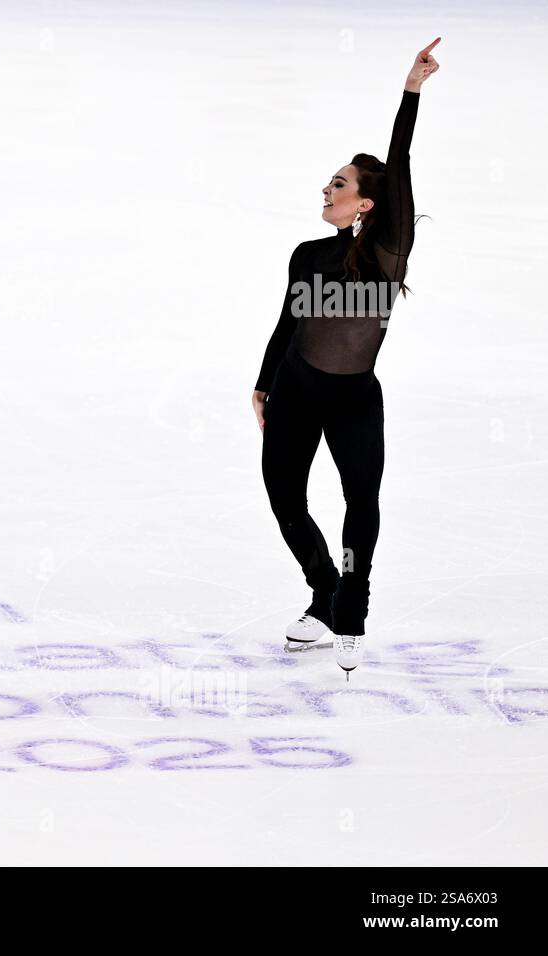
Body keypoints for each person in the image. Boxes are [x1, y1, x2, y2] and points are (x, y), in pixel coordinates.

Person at [252, 39, 441, 676]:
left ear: (365, 203)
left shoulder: (387, 252)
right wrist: (262, 383)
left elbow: (400, 161)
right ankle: (324, 589)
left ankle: (352, 600)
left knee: (360, 502)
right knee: (284, 495)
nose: (325, 188)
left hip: (353, 399)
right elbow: (289, 321)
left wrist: (410, 91)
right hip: (295, 388)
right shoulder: (308, 254)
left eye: (339, 182)